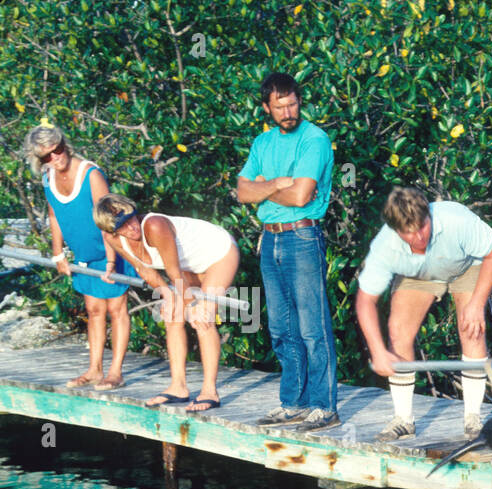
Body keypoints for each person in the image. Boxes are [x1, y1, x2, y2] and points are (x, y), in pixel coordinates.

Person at [354, 186, 492, 440]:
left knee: (472, 329)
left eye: (421, 227)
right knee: (398, 330)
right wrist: (377, 351)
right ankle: (403, 418)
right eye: (407, 233)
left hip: (466, 265)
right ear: (395, 230)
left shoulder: (457, 221)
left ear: (429, 216)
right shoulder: (384, 245)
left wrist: (477, 304)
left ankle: (473, 418)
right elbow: (365, 301)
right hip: (419, 274)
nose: (417, 238)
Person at [236, 71, 337, 432]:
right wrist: (272, 186)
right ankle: (293, 402)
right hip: (271, 239)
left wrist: (265, 186)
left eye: (293, 103)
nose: (288, 112)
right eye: (280, 107)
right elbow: (241, 191)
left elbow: (301, 196)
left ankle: (325, 407)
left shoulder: (315, 139)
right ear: (266, 108)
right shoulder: (262, 144)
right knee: (281, 326)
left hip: (303, 237)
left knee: (313, 326)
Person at [94, 194, 239, 412]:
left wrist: (191, 306)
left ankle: (210, 391)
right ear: (112, 231)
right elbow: (144, 269)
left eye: (131, 218)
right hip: (188, 265)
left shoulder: (154, 225)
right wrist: (168, 296)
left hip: (219, 253)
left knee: (202, 318)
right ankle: (178, 387)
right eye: (122, 226)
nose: (132, 228)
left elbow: (173, 271)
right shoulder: (113, 239)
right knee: (172, 316)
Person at [24, 123, 134, 390]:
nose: (55, 158)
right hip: (85, 256)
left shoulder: (91, 174)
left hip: (112, 249)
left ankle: (115, 372)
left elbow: (109, 219)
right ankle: (95, 369)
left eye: (58, 150)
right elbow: (54, 215)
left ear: (65, 145)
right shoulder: (47, 177)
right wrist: (57, 253)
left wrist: (110, 261)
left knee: (116, 308)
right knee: (94, 310)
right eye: (46, 156)